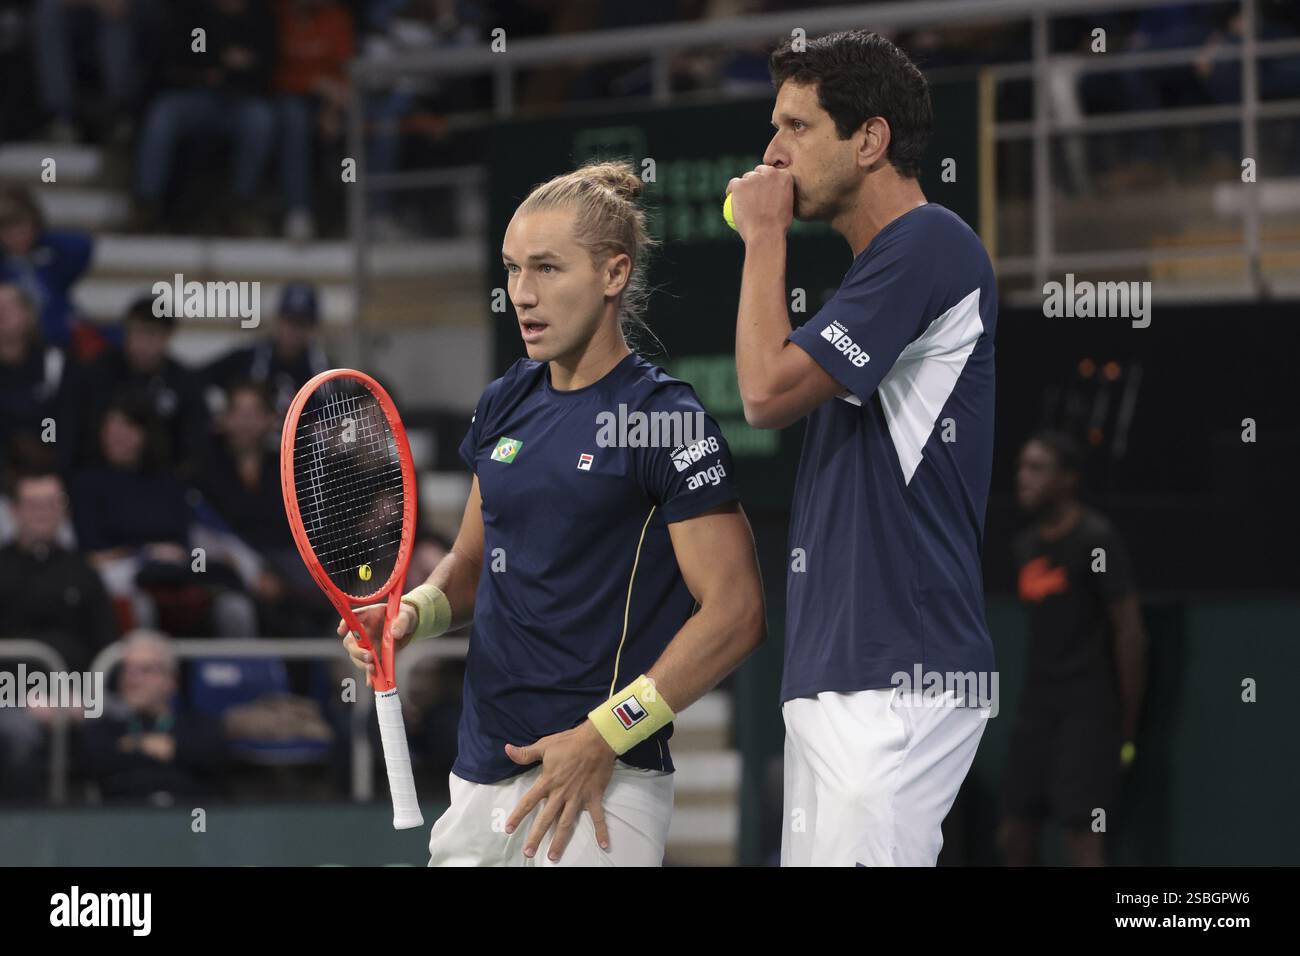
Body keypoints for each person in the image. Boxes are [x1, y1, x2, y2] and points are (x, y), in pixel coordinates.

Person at [340, 160, 766, 866]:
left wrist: (605, 735)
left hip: (603, 786)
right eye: (511, 270)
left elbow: (737, 613)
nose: (522, 295)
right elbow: (473, 564)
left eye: (546, 269)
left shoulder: (663, 420)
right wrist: (413, 613)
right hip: (478, 778)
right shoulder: (505, 398)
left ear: (613, 274)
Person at [725, 29, 997, 866]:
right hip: (839, 680)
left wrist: (764, 236)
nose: (771, 154)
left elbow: (764, 392)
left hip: (897, 678)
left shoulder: (931, 244)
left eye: (797, 128)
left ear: (870, 140)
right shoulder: (879, 272)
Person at [999, 431, 1147, 866]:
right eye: (1021, 467)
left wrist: (1126, 728)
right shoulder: (1024, 547)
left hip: (1089, 710)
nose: (1023, 478)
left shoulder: (1096, 539)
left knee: (1083, 834)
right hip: (1036, 709)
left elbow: (1130, 632)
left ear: (1068, 480)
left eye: (1037, 468)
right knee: (1012, 831)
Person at [78, 629, 227, 802]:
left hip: (192, 822)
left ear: (171, 680)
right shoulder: (105, 728)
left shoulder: (198, 725)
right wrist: (157, 748)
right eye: (128, 670)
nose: (132, 679)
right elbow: (94, 761)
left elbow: (212, 757)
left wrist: (131, 746)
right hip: (125, 822)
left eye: (145, 670)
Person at [0, 471, 117, 673]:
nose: (42, 513)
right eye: (33, 505)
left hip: (75, 693)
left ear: (64, 511)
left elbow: (106, 643)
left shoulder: (84, 571)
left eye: (51, 504)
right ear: (14, 510)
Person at [201, 281, 329, 417]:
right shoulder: (247, 358)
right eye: (289, 321)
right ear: (277, 321)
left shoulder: (324, 369)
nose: (294, 331)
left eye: (302, 323)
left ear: (313, 328)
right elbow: (198, 380)